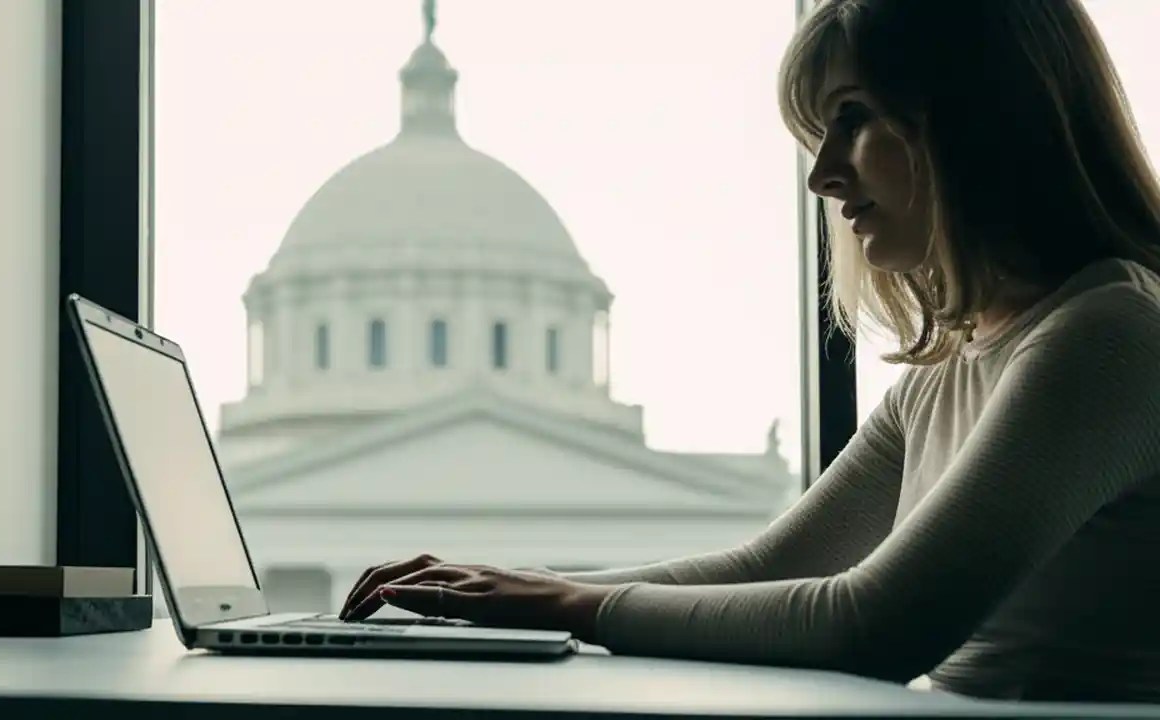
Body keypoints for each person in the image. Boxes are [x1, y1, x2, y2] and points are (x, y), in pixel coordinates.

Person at [339, 0, 1160, 703]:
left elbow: (872, 623)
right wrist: (519, 593)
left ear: (980, 114)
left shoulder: (1109, 335)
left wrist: (564, 604)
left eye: (853, 119)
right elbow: (768, 564)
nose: (823, 179)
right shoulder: (950, 371)